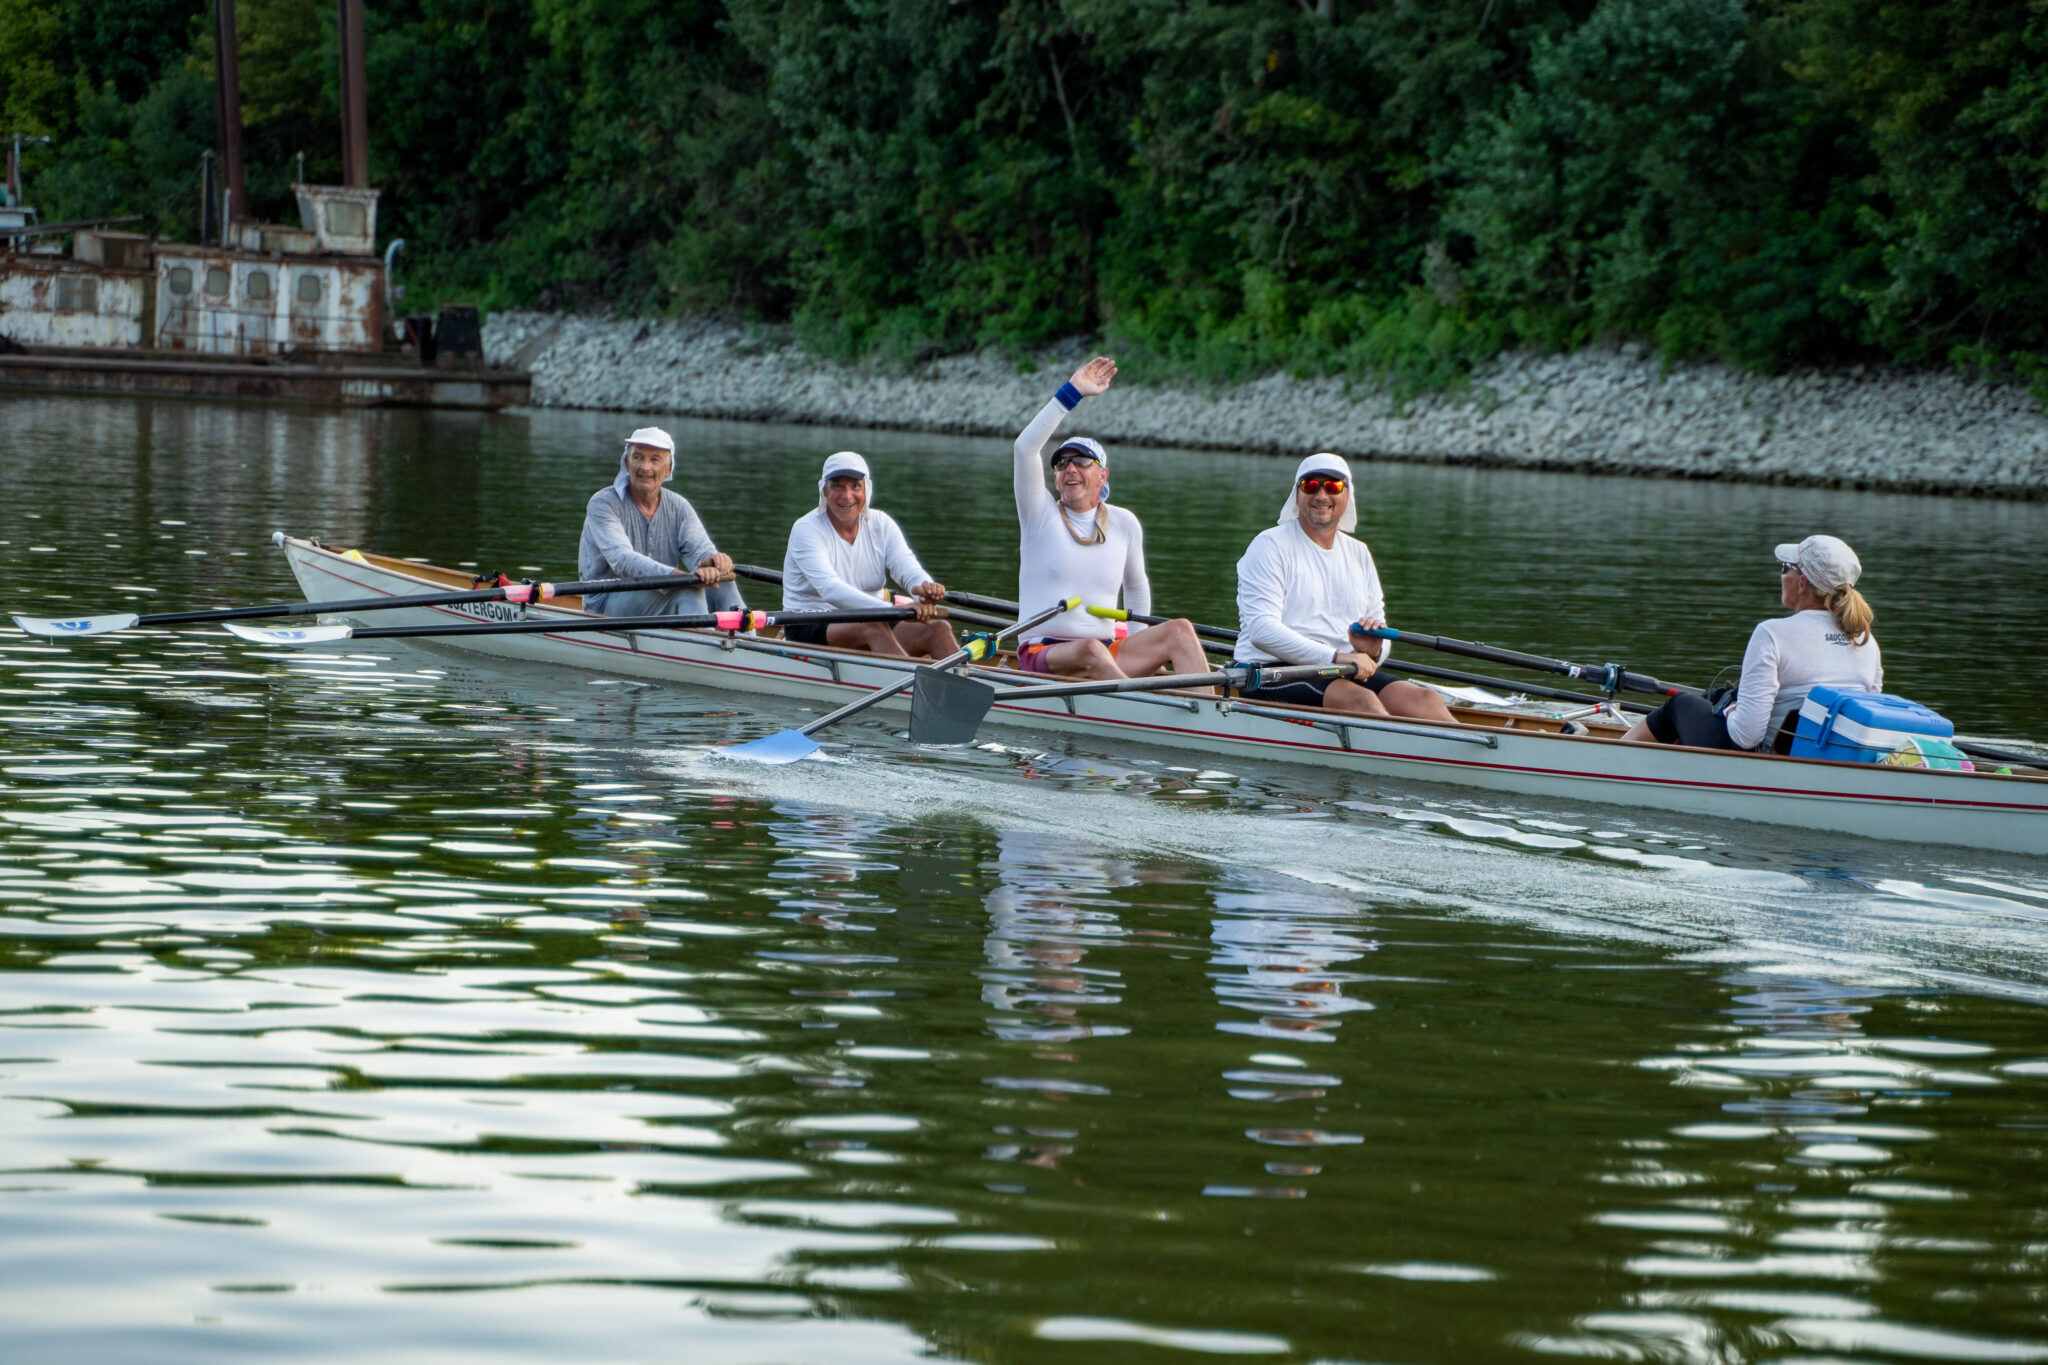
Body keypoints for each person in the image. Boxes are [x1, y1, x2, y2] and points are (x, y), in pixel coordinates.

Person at [1008, 356, 1208, 680]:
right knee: (1090, 648)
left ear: (1103, 476)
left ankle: (1209, 721)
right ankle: (1141, 709)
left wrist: (1137, 643)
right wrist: (1071, 392)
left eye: (1081, 462)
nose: (1069, 468)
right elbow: (1024, 449)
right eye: (1062, 464)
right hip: (1042, 652)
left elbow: (1137, 588)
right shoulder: (1038, 513)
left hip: (1106, 652)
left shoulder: (1124, 523)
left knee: (1181, 632)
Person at [1232, 453, 1457, 723]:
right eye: (1311, 485)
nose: (1322, 495)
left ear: (1347, 494)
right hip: (1268, 673)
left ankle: (1474, 760)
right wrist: (1336, 657)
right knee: (1358, 699)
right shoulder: (1270, 546)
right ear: (1297, 493)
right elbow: (1261, 631)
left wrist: (1373, 651)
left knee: (1425, 699)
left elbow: (1379, 633)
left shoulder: (1359, 553)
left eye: (1334, 486)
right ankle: (1404, 756)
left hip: (1342, 670)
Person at [1623, 533, 1880, 751]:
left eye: (1785, 568)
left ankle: (1612, 758)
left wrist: (1732, 711)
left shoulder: (1773, 633)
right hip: (1824, 754)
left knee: (1681, 704)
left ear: (1802, 583)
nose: (1781, 575)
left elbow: (1747, 736)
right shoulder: (1866, 641)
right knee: (1719, 696)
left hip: (1766, 758)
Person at [780, 450, 956, 658]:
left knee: (938, 629)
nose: (847, 496)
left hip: (876, 617)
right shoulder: (806, 529)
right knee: (873, 626)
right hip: (810, 624)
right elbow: (830, 589)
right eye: (837, 486)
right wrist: (892, 611)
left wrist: (925, 591)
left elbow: (907, 566)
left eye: (855, 486)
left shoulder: (881, 524)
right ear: (824, 490)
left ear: (867, 489)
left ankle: (972, 688)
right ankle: (909, 687)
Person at [576, 426, 740, 617]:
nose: (645, 467)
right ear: (627, 463)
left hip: (662, 596)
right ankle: (705, 643)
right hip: (605, 605)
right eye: (638, 457)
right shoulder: (603, 504)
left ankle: (747, 639)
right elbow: (622, 560)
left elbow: (701, 553)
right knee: (687, 587)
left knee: (723, 581)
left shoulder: (679, 506)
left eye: (654, 459)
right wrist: (678, 577)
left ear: (668, 468)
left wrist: (715, 561)